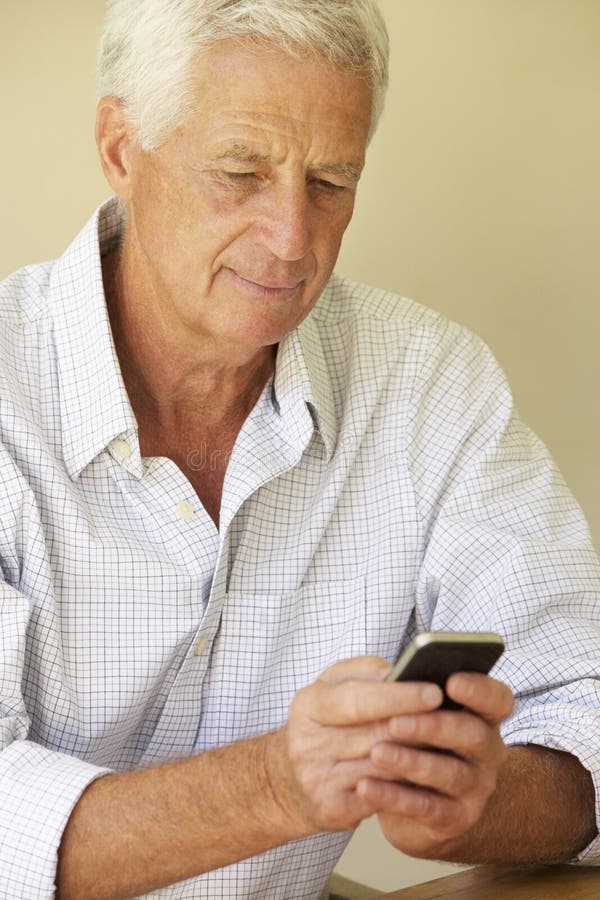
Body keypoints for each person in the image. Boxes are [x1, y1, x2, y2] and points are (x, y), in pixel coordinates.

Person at [1, 1, 599, 897]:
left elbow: (585, 706)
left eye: (331, 182)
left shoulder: (428, 381)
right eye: (240, 172)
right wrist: (277, 786)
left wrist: (477, 800)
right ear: (121, 149)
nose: (291, 241)